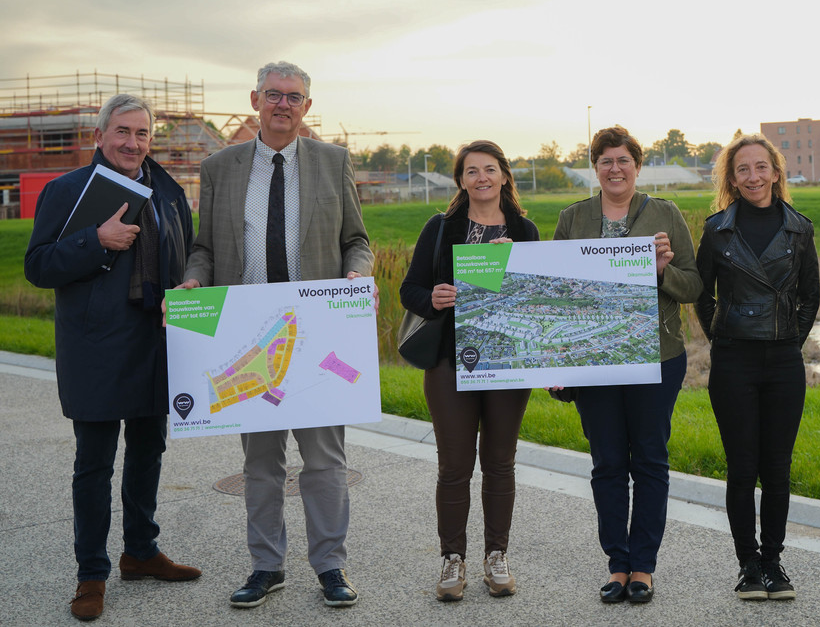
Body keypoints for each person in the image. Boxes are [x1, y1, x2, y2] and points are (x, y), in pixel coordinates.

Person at [179, 61, 373, 609]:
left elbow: (356, 239)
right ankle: (266, 566)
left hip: (318, 337)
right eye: (273, 95)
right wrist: (195, 277)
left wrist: (358, 273)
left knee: (324, 461)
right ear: (254, 100)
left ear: (307, 106)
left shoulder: (333, 162)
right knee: (260, 464)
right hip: (250, 339)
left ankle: (331, 567)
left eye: (294, 97)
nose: (283, 104)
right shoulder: (220, 166)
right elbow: (205, 248)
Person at [24, 94, 201, 621]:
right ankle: (91, 574)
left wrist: (189, 282)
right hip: (95, 347)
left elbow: (188, 253)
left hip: (156, 342)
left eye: (142, 134)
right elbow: (37, 265)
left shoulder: (168, 190)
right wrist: (95, 240)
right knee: (94, 464)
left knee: (149, 453)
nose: (132, 143)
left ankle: (141, 552)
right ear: (99, 137)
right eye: (122, 132)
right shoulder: (66, 190)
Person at [552, 126, 703, 605]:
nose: (614, 168)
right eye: (605, 161)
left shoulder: (665, 214)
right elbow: (552, 293)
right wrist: (555, 360)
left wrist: (662, 270)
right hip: (593, 360)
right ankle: (617, 565)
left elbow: (694, 286)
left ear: (638, 165)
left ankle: (644, 566)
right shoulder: (573, 218)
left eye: (623, 160)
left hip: (656, 358)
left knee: (651, 462)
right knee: (608, 464)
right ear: (594, 167)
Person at [399, 140, 539, 601]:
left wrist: (513, 265)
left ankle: (496, 555)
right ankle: (452, 558)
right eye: (472, 171)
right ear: (461, 180)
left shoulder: (525, 230)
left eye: (490, 169)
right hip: (448, 361)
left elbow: (537, 300)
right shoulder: (441, 228)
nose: (481, 178)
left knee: (500, 462)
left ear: (504, 177)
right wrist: (433, 297)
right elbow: (410, 289)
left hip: (506, 362)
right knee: (455, 465)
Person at [695, 134, 819, 601]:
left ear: (775, 172)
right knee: (742, 467)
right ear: (732, 178)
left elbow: (811, 297)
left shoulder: (799, 229)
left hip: (784, 360)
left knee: (778, 468)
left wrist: (786, 338)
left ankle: (774, 561)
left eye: (761, 167)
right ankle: (747, 564)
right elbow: (702, 296)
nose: (753, 176)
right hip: (734, 361)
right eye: (742, 169)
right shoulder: (716, 230)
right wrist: (725, 337)